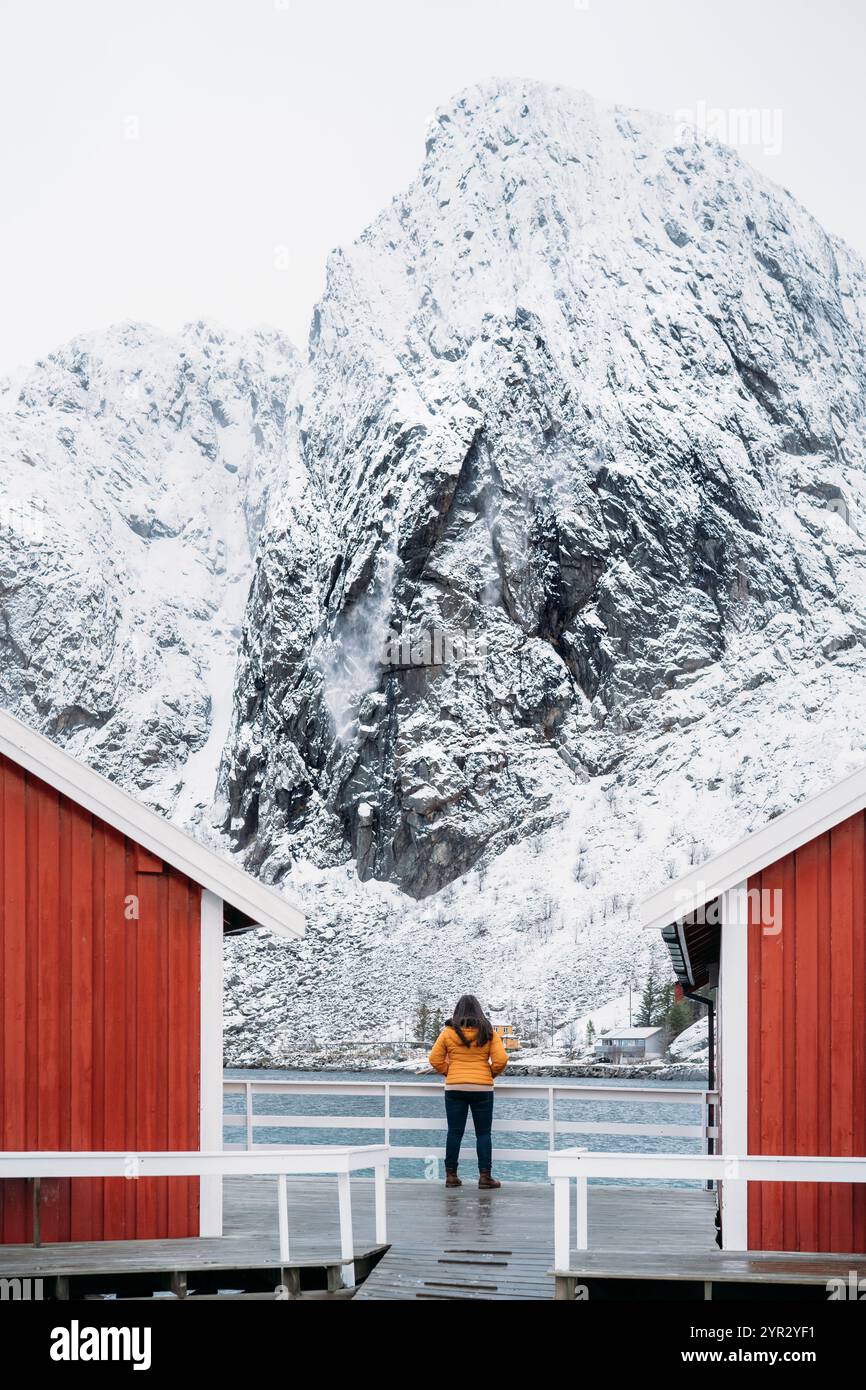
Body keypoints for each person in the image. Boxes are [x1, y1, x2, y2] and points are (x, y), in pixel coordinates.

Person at [428, 994, 508, 1188]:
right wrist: (488, 1074)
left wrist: (451, 1072)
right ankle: (485, 1177)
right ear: (479, 1011)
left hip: (455, 1087)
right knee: (483, 1133)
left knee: (454, 1132)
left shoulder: (448, 1032)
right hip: (482, 1088)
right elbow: (501, 1060)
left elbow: (434, 1059)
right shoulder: (488, 1031)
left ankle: (451, 1176)